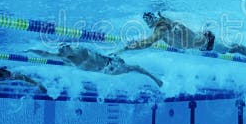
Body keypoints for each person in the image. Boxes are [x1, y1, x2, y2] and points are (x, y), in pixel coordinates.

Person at [119, 12, 246, 69]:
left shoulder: (165, 27)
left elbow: (148, 42)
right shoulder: (162, 31)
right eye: (146, 21)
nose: (148, 23)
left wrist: (128, 48)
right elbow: (147, 41)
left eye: (148, 20)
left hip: (209, 41)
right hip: (199, 43)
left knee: (236, 48)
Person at [28, 45, 163, 87]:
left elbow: (99, 52)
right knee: (136, 67)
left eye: (64, 47)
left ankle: (155, 78)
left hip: (109, 62)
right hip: (106, 70)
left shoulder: (79, 47)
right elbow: (45, 54)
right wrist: (30, 50)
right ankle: (156, 79)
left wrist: (113, 56)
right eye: (62, 50)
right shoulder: (66, 57)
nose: (62, 50)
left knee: (135, 67)